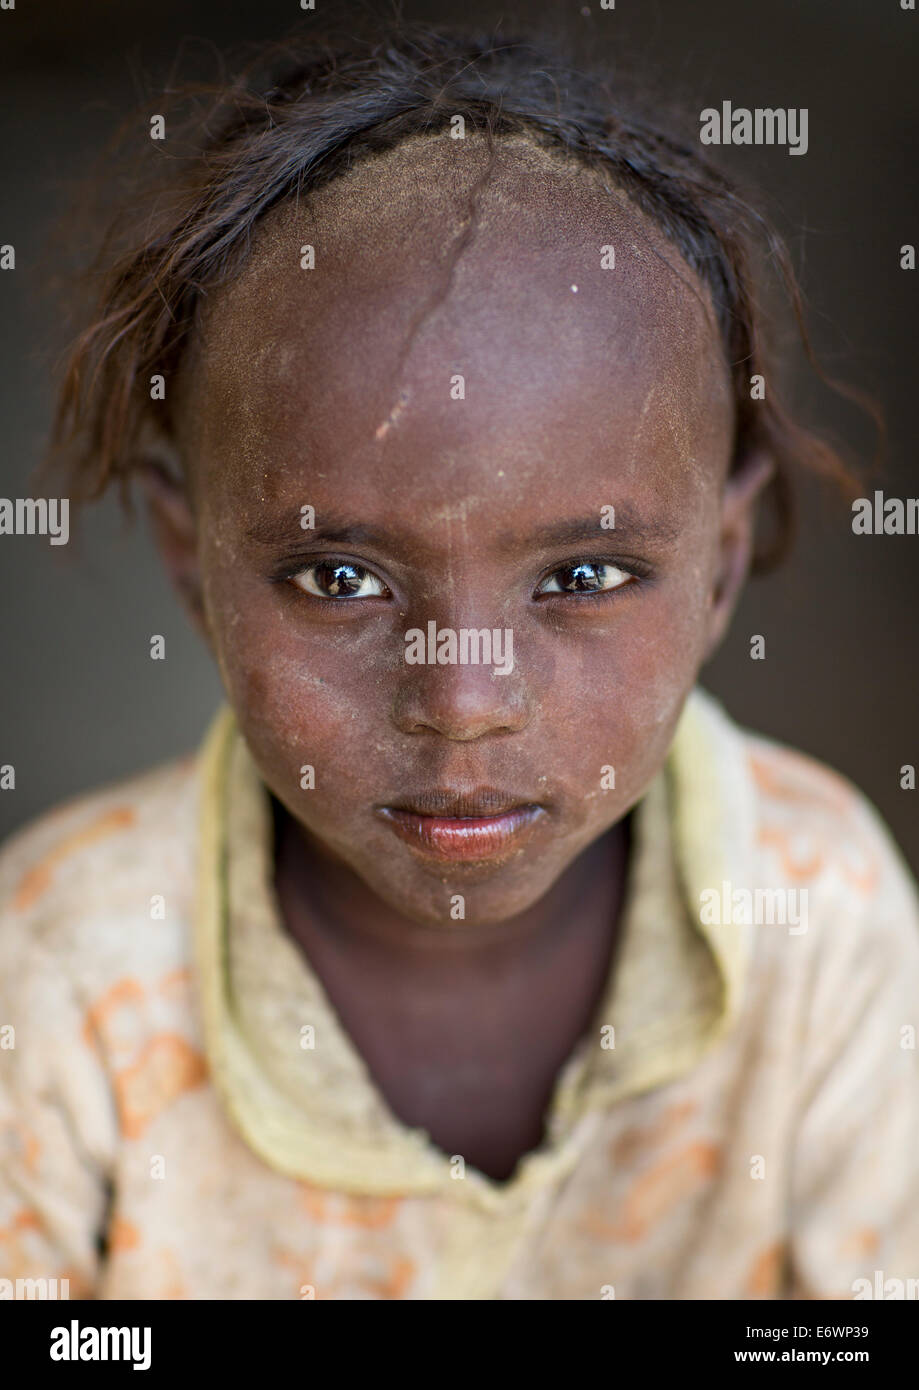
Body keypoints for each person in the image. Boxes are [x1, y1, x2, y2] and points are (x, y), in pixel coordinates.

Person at [1, 24, 917, 1300]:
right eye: (339, 578)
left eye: (583, 577)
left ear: (718, 566)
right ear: (186, 562)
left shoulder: (822, 921)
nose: (464, 702)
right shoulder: (57, 966)